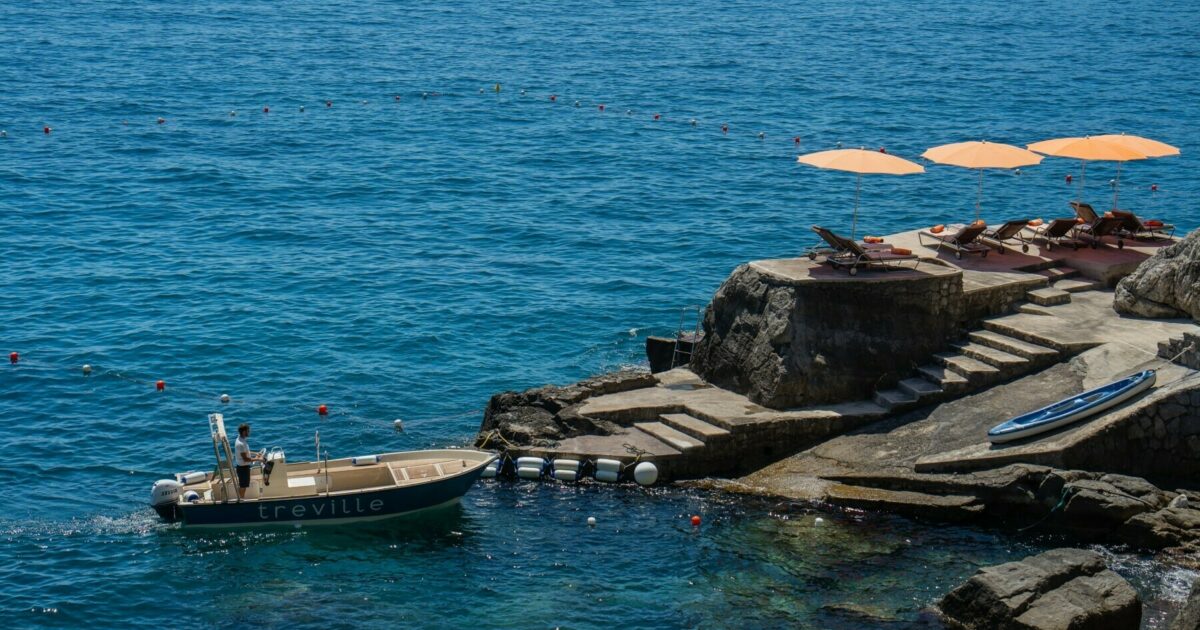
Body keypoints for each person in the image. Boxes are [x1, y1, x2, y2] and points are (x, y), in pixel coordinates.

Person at [234, 423, 263, 499]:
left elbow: (246, 452)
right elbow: (246, 459)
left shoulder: (241, 439)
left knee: (244, 485)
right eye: (248, 431)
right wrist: (259, 459)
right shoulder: (240, 444)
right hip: (243, 468)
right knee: (243, 486)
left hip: (244, 467)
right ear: (244, 432)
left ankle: (241, 499)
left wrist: (255, 453)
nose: (249, 432)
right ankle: (241, 500)